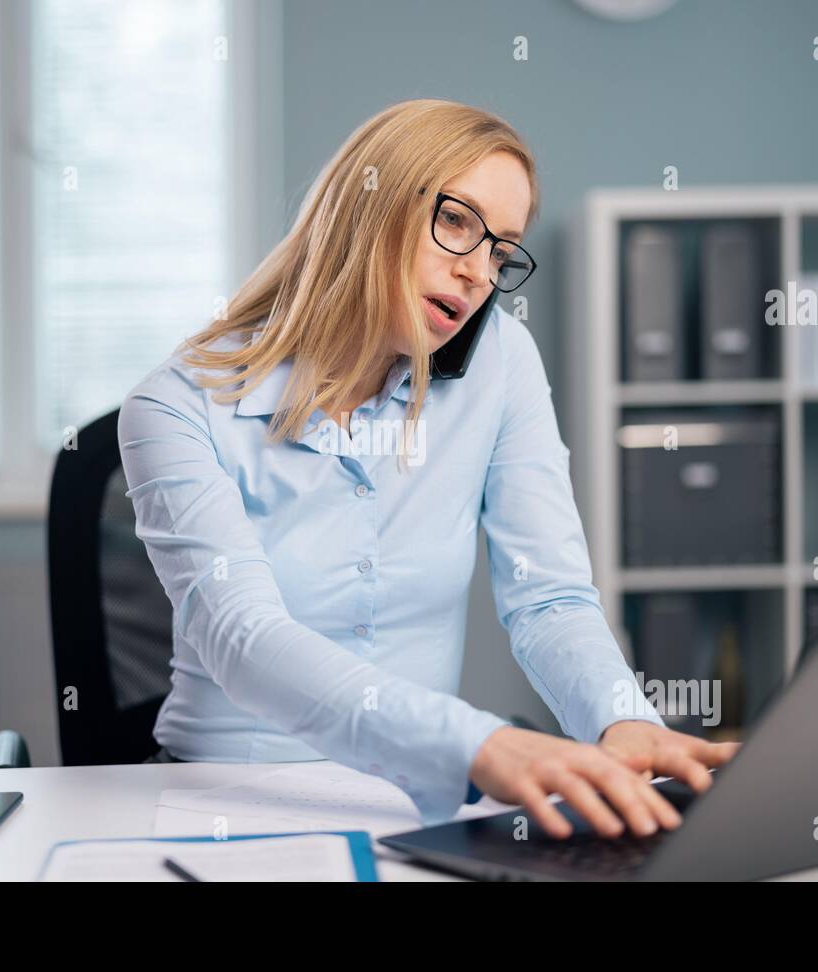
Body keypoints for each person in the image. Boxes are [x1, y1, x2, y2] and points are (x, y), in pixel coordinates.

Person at [118, 98, 737, 838]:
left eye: (501, 251)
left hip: (414, 806)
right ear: (368, 204)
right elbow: (244, 639)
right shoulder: (176, 405)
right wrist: (477, 744)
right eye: (456, 223)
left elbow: (549, 598)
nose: (477, 272)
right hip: (229, 801)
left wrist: (619, 719)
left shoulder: (501, 362)